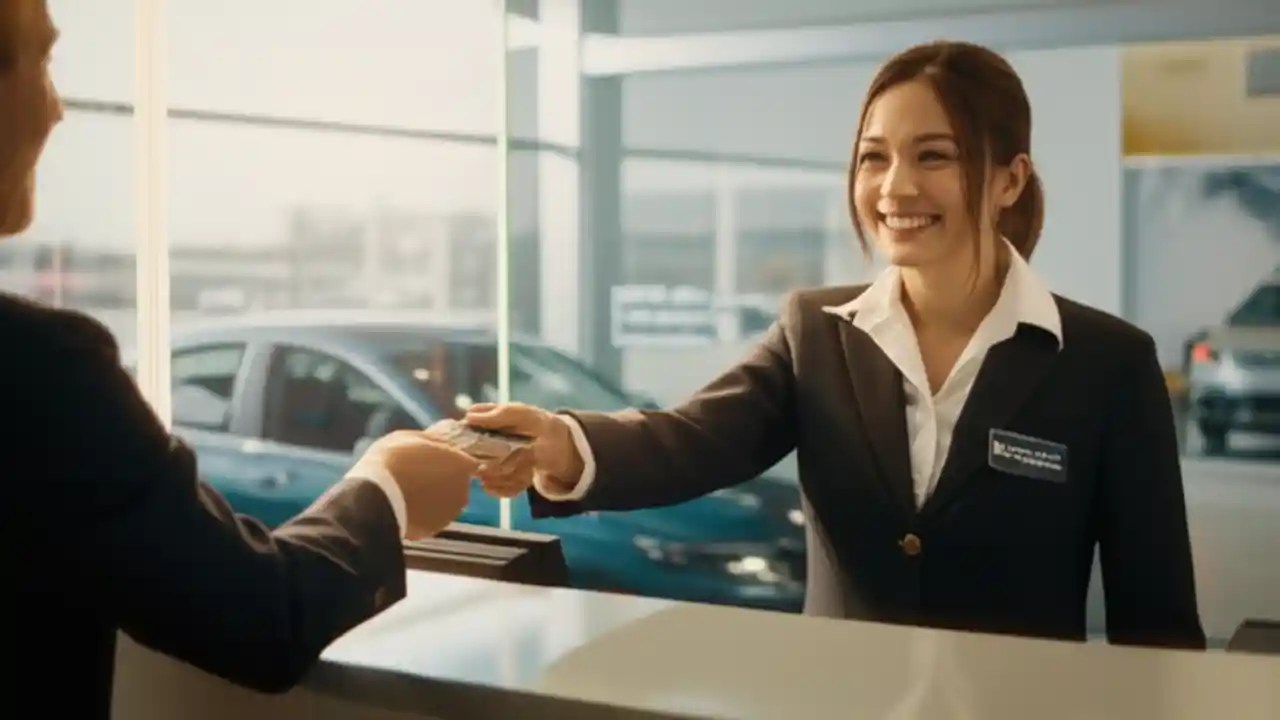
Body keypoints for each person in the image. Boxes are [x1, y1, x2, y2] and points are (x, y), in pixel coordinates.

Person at [469, 40, 1207, 650]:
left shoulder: (1107, 363)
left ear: (1009, 180)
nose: (895, 187)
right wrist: (559, 445)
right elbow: (691, 441)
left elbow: (1159, 627)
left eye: (934, 156)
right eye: (874, 157)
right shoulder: (816, 332)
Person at [1, 2, 482, 717]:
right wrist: (387, 489)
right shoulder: (41, 372)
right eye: (41, 62)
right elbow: (260, 617)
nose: (59, 109)